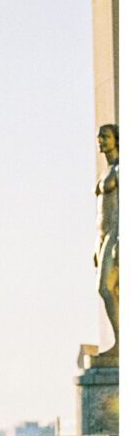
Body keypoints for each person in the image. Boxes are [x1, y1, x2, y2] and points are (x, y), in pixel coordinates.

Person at [94, 123, 119, 361]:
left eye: (105, 136)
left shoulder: (121, 169)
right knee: (107, 289)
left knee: (105, 287)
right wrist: (97, 243)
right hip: (105, 236)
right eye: (99, 137)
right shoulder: (106, 172)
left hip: (117, 233)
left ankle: (121, 342)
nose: (100, 140)